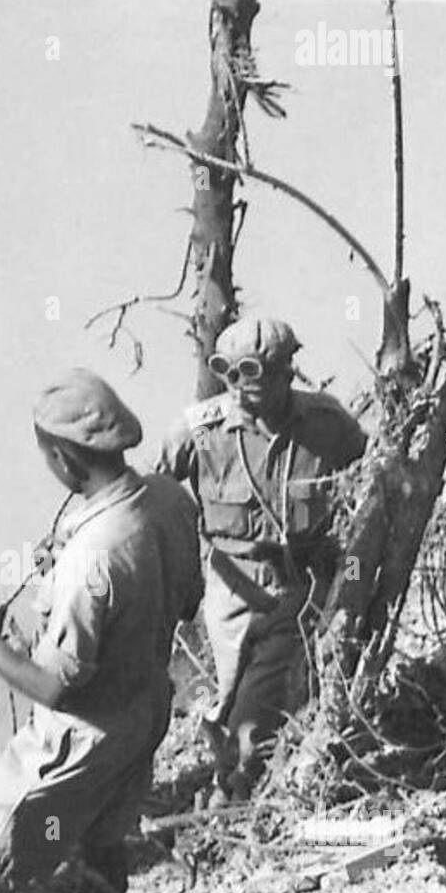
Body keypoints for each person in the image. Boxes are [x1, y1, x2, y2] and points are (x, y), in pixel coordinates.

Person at [0, 369, 203, 893]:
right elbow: (186, 600)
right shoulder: (168, 500)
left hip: (84, 731)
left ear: (61, 458)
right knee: (107, 830)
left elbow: (55, 688)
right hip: (145, 708)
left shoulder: (94, 554)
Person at [157, 314, 367, 801]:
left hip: (304, 584)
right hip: (231, 590)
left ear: (287, 371)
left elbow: (371, 481)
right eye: (229, 373)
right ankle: (233, 782)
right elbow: (152, 499)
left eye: (255, 372)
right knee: (233, 696)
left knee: (260, 701)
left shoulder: (326, 424)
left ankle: (243, 788)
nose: (241, 387)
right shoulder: (199, 431)